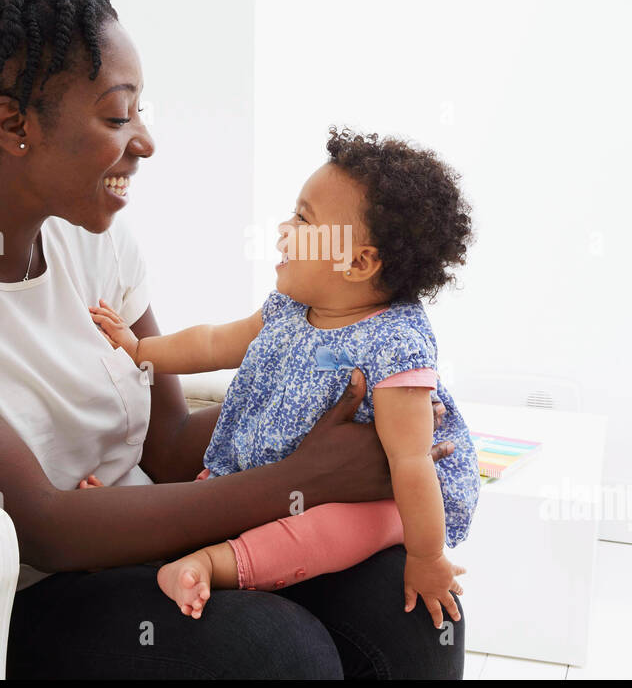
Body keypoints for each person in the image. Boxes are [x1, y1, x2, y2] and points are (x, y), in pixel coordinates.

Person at [0, 0, 464, 678]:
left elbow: (167, 446)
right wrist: (306, 477)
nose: (144, 142)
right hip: (25, 597)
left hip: (156, 535)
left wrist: (351, 417)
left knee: (415, 615)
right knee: (276, 655)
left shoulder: (92, 237)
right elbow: (43, 528)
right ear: (13, 126)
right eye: (117, 118)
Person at [89, 128, 479, 631]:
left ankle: (212, 565)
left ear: (359, 262)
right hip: (276, 473)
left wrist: (427, 558)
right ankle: (126, 537)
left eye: (303, 219)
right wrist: (142, 350)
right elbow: (213, 342)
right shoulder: (290, 309)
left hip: (369, 498)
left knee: (330, 530)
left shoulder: (395, 347)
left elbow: (411, 464)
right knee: (211, 495)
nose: (283, 228)